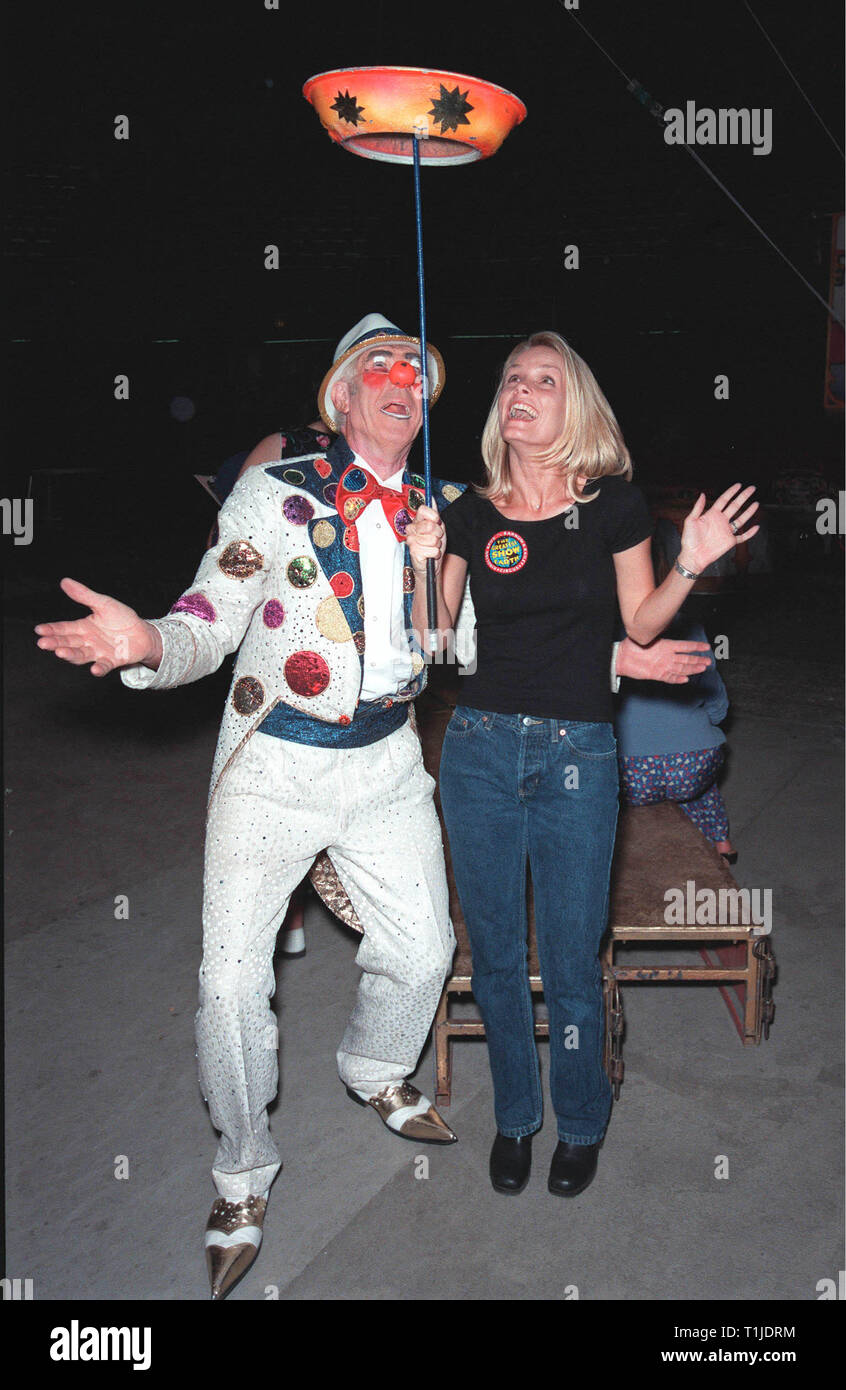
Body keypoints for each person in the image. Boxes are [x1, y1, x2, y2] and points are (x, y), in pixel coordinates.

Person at [36, 314, 720, 1299]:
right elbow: (208, 616)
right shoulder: (271, 496)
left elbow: (496, 641)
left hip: (388, 767)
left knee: (426, 951)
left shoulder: (450, 508)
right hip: (272, 765)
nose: (400, 379)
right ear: (342, 397)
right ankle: (240, 1173)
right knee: (230, 984)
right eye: (377, 368)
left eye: (415, 370)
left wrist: (620, 653)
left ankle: (374, 1066)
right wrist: (145, 641)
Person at [405, 330, 758, 1200]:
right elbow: (433, 643)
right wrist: (421, 561)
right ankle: (515, 1119)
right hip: (480, 751)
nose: (522, 390)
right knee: (490, 954)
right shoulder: (467, 513)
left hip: (578, 752)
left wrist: (691, 565)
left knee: (568, 956)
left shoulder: (614, 507)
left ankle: (582, 1119)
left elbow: (640, 626)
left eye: (545, 380)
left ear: (577, 406)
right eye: (511, 379)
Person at [615, 611, 736, 861]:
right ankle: (722, 844)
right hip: (693, 765)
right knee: (702, 785)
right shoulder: (689, 625)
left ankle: (621, 851)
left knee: (605, 787)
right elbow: (716, 699)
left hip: (632, 773)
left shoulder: (603, 625)